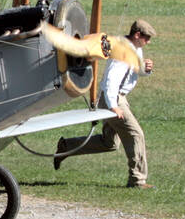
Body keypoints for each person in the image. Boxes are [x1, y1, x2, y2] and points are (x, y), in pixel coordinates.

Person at [53, 19, 157, 188]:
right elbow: (111, 80)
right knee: (136, 135)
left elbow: (136, 71)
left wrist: (146, 69)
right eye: (146, 38)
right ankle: (137, 180)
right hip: (113, 99)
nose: (148, 42)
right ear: (137, 35)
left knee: (109, 143)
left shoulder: (135, 48)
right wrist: (113, 105)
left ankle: (66, 147)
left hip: (115, 99)